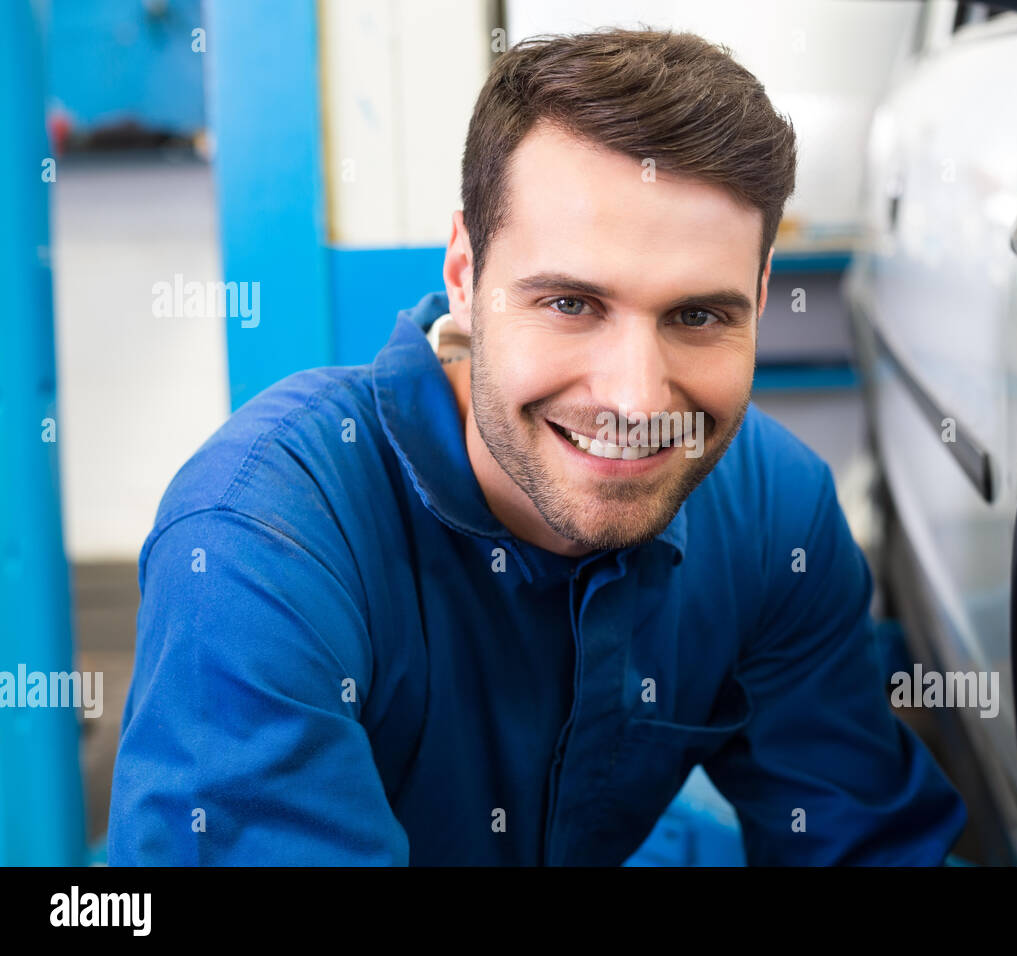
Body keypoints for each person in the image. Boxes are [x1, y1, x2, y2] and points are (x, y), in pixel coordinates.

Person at [108, 27, 966, 865]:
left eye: (697, 316)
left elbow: (866, 845)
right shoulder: (261, 544)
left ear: (762, 295)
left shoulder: (774, 513)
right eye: (570, 304)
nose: (635, 399)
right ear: (464, 273)